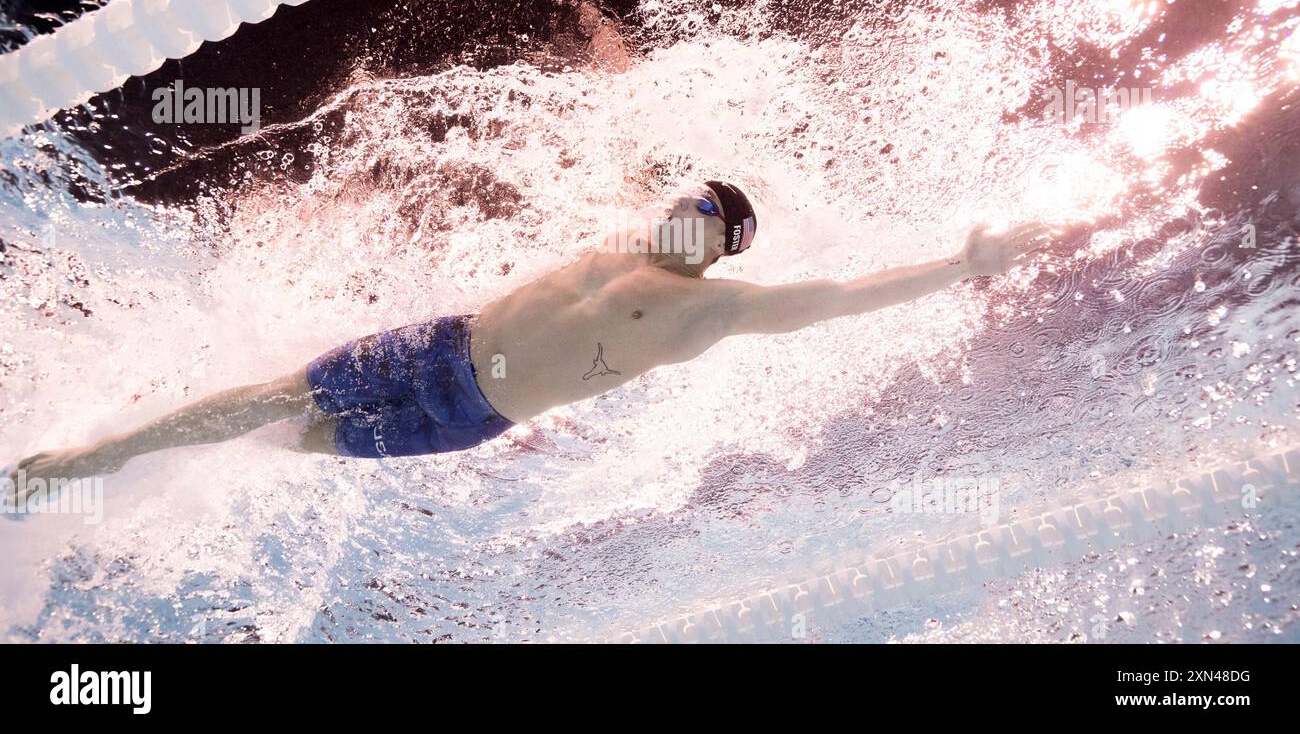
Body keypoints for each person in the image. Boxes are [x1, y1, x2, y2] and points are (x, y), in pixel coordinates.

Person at [4, 180, 1051, 502]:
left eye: (697, 208)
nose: (672, 205)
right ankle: (88, 460)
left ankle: (149, 471)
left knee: (291, 439)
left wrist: (960, 267)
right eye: (679, 191)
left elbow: (833, 299)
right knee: (283, 390)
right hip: (437, 344)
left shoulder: (708, 309)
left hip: (472, 412)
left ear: (719, 245)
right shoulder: (616, 246)